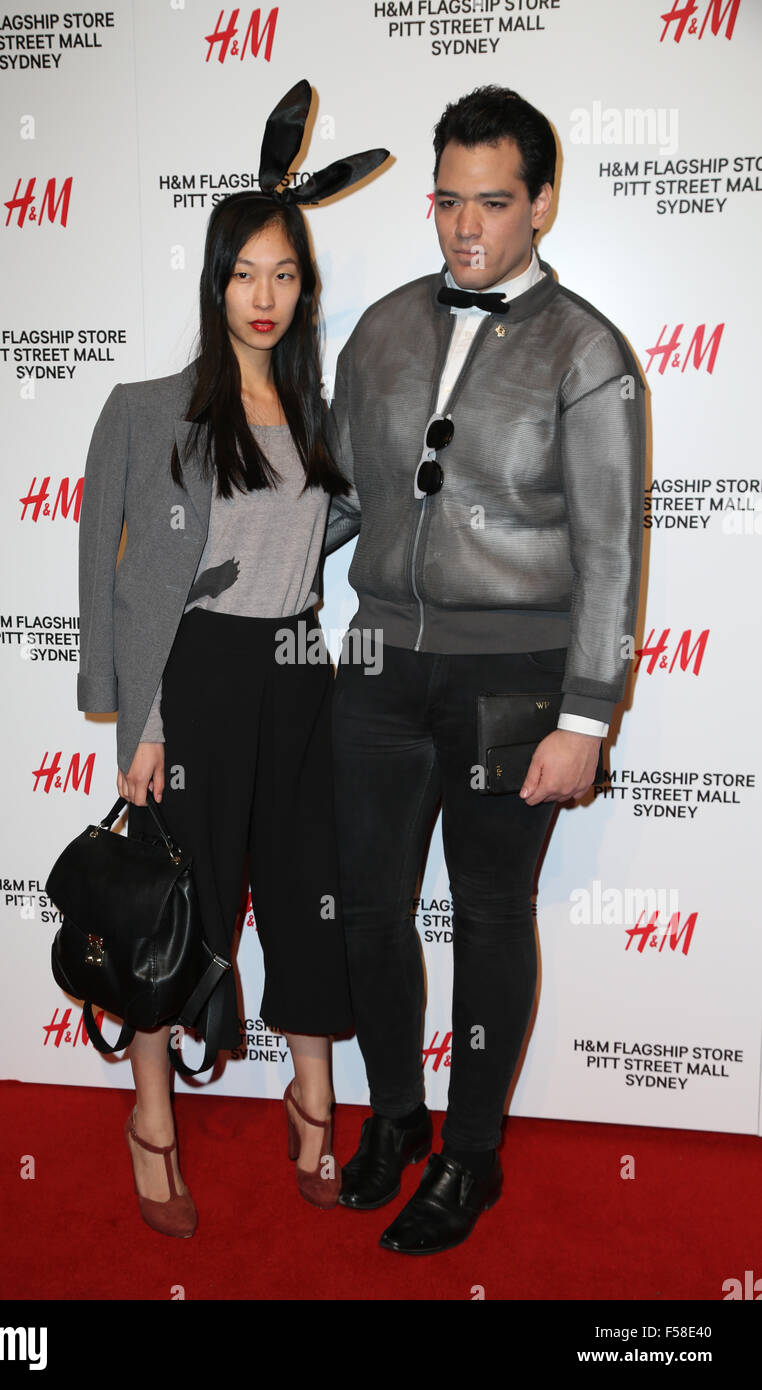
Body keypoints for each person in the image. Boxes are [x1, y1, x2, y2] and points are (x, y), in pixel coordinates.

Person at [325, 84, 646, 1255]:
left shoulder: (588, 350)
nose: (466, 228)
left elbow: (611, 550)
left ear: (542, 205)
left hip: (512, 681)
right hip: (374, 667)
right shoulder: (383, 329)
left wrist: (586, 716)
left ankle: (469, 1154)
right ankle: (395, 1119)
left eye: (494, 203)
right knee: (366, 914)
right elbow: (342, 498)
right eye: (448, 201)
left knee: (488, 916)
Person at [76, 81, 388, 1238]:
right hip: (197, 678)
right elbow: (115, 578)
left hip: (301, 670)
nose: (263, 297)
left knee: (308, 897)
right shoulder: (151, 411)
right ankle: (150, 1114)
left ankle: (313, 1097)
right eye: (242, 274)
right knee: (180, 908)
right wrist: (138, 720)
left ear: (304, 290)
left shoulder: (320, 418)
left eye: (284, 275)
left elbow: (338, 531)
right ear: (213, 283)